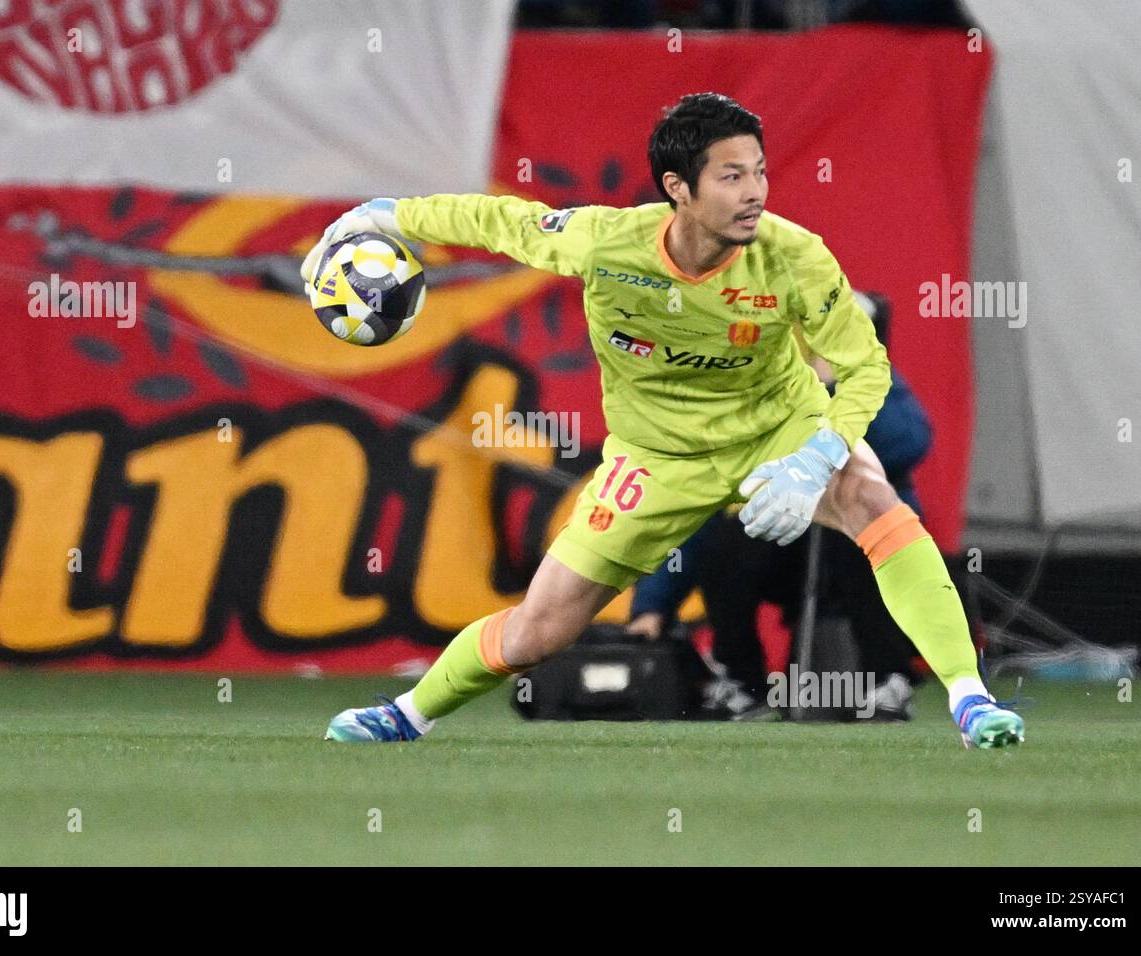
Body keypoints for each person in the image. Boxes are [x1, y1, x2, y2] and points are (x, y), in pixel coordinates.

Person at [306, 92, 1023, 749]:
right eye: (732, 177)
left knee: (875, 499)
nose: (756, 195)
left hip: (776, 429)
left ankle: (970, 700)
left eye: (760, 173)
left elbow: (866, 369)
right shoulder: (606, 244)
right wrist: (384, 217)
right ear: (678, 188)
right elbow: (498, 221)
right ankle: (405, 716)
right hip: (656, 459)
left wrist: (815, 457)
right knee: (540, 628)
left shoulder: (794, 256)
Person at [628, 293, 934, 720]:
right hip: (785, 556)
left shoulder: (877, 387)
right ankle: (744, 683)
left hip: (859, 558)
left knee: (862, 532)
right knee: (727, 539)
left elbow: (908, 444)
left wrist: (842, 387)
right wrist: (653, 605)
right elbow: (699, 506)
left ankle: (889, 682)